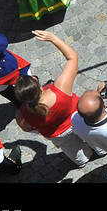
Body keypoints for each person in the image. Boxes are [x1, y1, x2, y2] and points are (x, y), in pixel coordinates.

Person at [12, 30, 91, 167]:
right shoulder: (60, 89)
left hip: (58, 134)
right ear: (40, 87)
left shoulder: (22, 116)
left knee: (73, 151)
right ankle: (100, 149)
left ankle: (83, 160)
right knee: (93, 134)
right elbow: (73, 57)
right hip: (78, 118)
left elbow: (28, 128)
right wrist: (52, 38)